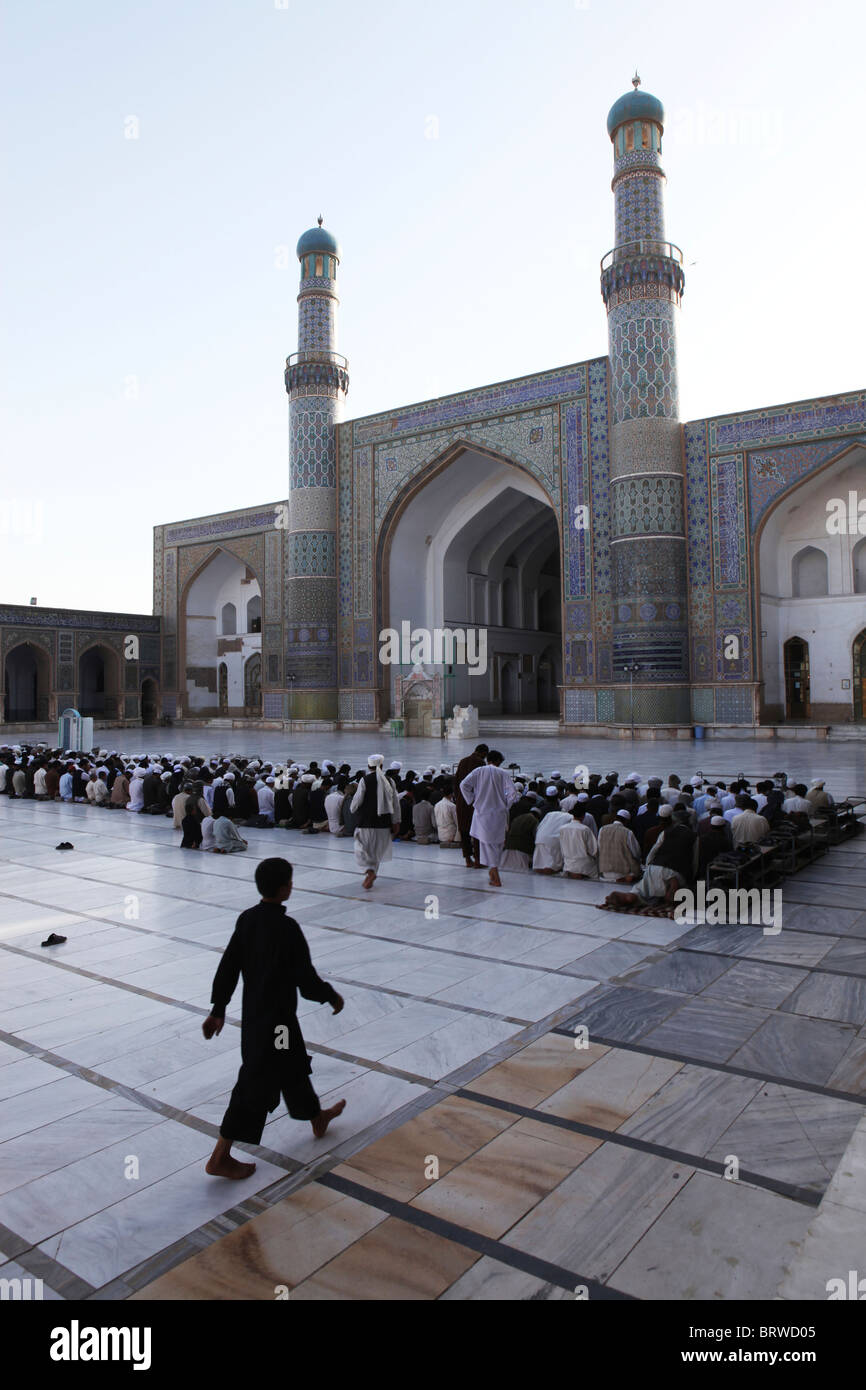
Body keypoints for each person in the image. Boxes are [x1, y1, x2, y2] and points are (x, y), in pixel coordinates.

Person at [201, 857, 346, 1179]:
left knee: (291, 1065)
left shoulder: (247, 920)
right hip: (276, 1023)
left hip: (258, 1018)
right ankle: (220, 1156)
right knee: (256, 1082)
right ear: (284, 889)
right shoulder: (286, 928)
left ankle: (316, 1117)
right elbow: (306, 980)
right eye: (290, 882)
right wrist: (331, 996)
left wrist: (218, 1009)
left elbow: (229, 967)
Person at [459, 750, 520, 888]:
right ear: (497, 761)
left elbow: (463, 785)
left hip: (482, 813)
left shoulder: (478, 771)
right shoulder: (502, 773)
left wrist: (472, 800)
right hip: (498, 815)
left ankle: (494, 875)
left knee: (487, 844)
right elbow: (513, 794)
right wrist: (505, 807)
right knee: (496, 844)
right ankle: (493, 874)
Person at [351, 754, 401, 889]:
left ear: (369, 766)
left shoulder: (365, 780)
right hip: (384, 824)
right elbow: (396, 804)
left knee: (360, 848)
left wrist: (352, 808)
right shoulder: (390, 781)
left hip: (366, 823)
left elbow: (356, 802)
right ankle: (371, 874)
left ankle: (369, 872)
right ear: (382, 766)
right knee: (376, 853)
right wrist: (396, 822)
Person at [454, 743, 489, 869]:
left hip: (461, 802)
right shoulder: (480, 763)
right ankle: (478, 860)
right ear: (483, 753)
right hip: (474, 802)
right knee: (477, 831)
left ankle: (468, 859)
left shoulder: (463, 761)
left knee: (464, 830)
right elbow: (482, 784)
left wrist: (457, 798)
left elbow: (457, 781)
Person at [532, 788, 572, 874]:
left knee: (539, 862)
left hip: (540, 837)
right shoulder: (568, 816)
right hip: (553, 839)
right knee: (552, 864)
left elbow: (539, 826)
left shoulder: (546, 811)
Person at [598, 809, 642, 882]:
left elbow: (599, 848)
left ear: (615, 818)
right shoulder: (628, 832)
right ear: (626, 821)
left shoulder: (602, 829)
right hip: (623, 873)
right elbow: (636, 853)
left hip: (605, 871)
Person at [560, 806, 599, 879]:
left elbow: (562, 848)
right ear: (583, 816)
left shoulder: (562, 828)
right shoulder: (585, 829)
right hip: (584, 865)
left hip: (569, 864)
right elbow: (593, 851)